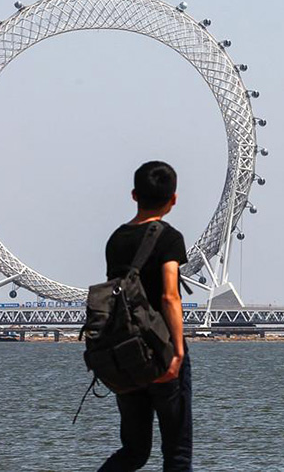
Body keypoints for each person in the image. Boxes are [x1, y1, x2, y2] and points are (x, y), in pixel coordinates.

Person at [99, 161, 192, 472]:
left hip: (126, 353)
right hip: (162, 350)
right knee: (176, 453)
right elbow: (169, 295)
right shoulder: (169, 238)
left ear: (134, 195)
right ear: (173, 199)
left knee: (134, 451)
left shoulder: (116, 239)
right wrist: (177, 353)